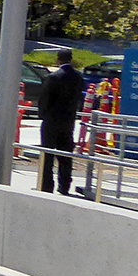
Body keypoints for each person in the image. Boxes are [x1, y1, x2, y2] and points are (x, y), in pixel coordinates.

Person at [38, 48, 86, 195]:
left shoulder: (53, 78)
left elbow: (44, 100)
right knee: (65, 155)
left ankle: (46, 186)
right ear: (71, 59)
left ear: (58, 59)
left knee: (47, 155)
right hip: (68, 121)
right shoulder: (78, 77)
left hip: (52, 121)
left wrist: (43, 115)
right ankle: (64, 186)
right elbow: (80, 97)